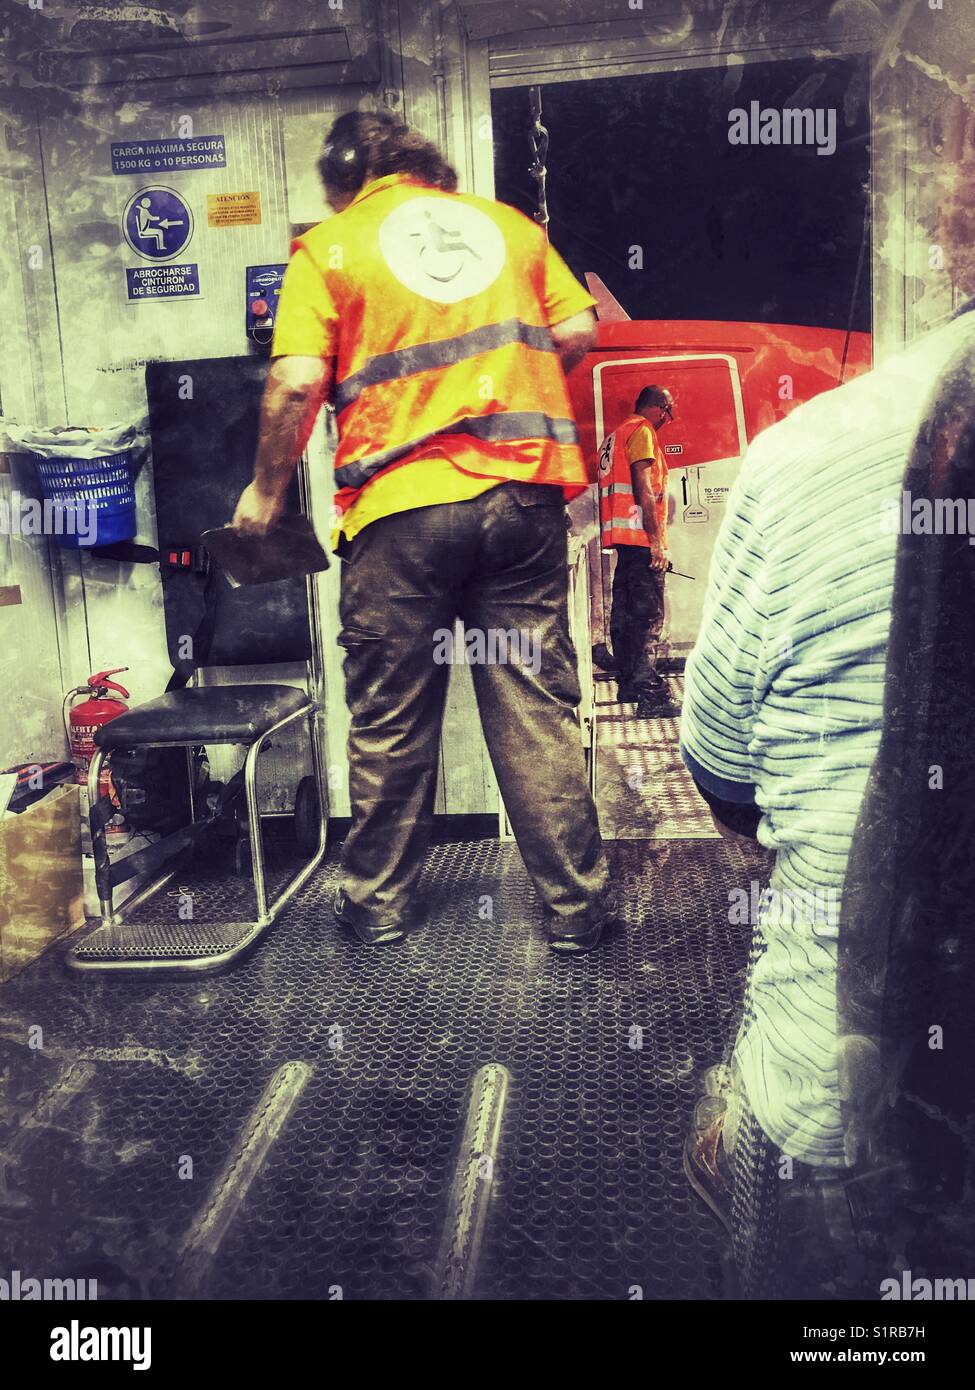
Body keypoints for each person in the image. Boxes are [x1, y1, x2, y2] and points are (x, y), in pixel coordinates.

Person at [678, 148, 975, 1292]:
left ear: (949, 227)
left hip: (847, 1133)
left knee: (757, 1119)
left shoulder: (813, 453)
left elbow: (726, 784)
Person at [232, 110, 612, 954]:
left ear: (343, 182)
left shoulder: (330, 247)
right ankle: (578, 912)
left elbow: (296, 384)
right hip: (522, 502)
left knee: (392, 714)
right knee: (532, 704)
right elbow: (580, 330)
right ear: (425, 170)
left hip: (399, 512)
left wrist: (262, 497)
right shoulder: (510, 229)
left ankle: (378, 909)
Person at [597, 385, 681, 718]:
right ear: (660, 408)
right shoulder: (642, 432)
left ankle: (630, 684)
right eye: (668, 413)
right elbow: (644, 488)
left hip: (623, 541)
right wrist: (657, 540)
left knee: (626, 617)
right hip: (641, 540)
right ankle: (652, 696)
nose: (667, 420)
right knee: (647, 618)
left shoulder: (615, 435)